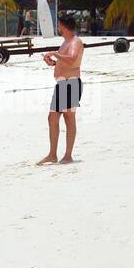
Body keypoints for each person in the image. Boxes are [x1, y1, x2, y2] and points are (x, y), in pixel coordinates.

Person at [38, 15, 83, 165]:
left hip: (71, 84)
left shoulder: (76, 42)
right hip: (62, 85)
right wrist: (52, 63)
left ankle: (68, 155)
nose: (58, 28)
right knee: (52, 118)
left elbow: (71, 59)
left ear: (64, 26)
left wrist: (55, 53)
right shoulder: (65, 42)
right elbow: (65, 62)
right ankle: (52, 154)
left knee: (69, 119)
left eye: (59, 25)